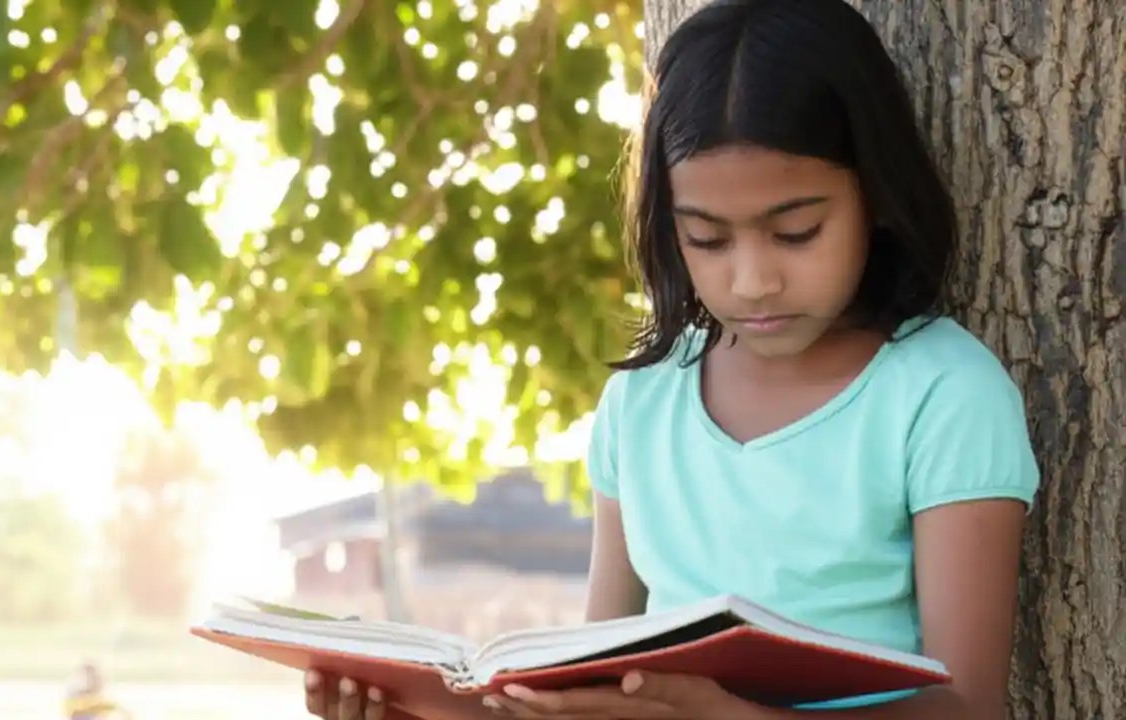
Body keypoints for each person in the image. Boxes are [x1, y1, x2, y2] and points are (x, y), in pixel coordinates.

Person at [303, 0, 1040, 717]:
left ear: (874, 194)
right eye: (708, 240)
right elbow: (595, 678)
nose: (753, 281)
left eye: (797, 232)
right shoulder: (643, 400)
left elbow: (966, 704)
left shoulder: (944, 394)